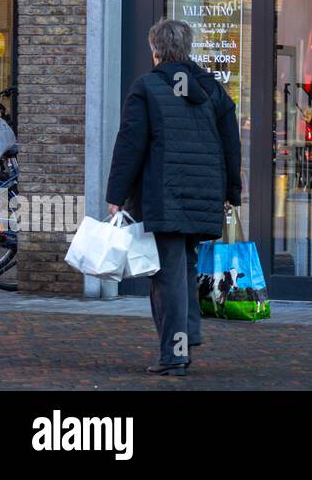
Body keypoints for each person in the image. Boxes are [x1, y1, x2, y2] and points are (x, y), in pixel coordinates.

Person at [106, 19, 242, 376]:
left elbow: (130, 145)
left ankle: (174, 355)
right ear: (187, 48)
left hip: (164, 194)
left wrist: (116, 195)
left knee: (167, 275)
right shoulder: (211, 89)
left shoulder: (147, 87)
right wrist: (231, 191)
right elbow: (232, 142)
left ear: (155, 50)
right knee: (186, 264)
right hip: (203, 192)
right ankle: (189, 334)